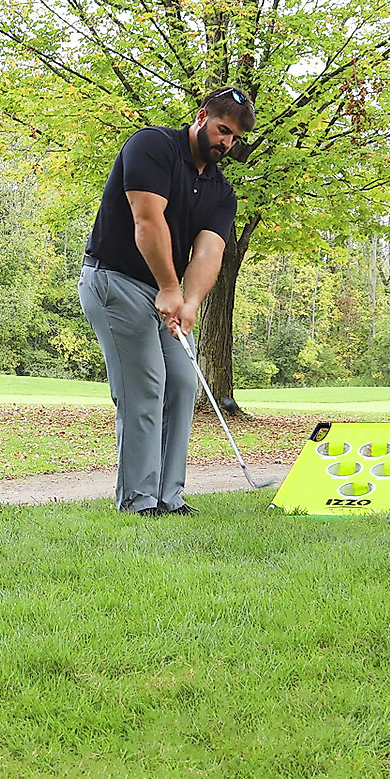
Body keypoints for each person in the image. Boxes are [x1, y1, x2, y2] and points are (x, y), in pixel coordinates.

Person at [78, 87, 256, 517]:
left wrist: (190, 301)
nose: (225, 143)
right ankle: (138, 502)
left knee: (180, 383)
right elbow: (147, 219)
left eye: (233, 138)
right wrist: (170, 289)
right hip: (115, 280)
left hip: (165, 291)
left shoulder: (220, 191)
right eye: (222, 130)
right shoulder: (151, 146)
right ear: (201, 117)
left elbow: (210, 251)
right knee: (146, 387)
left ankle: (168, 498)